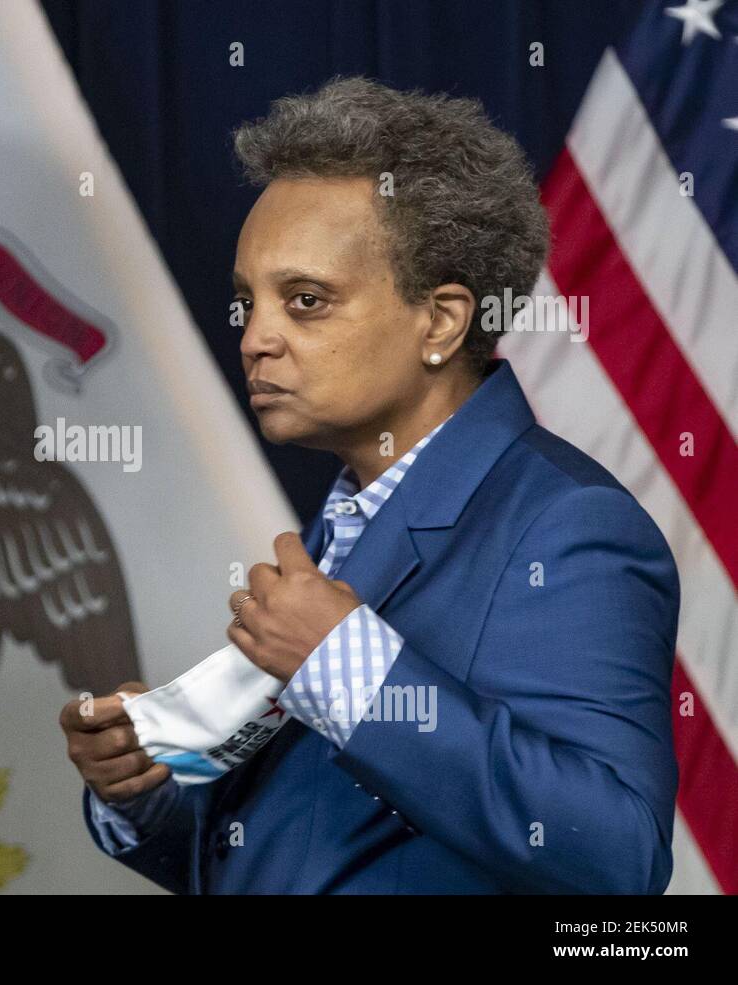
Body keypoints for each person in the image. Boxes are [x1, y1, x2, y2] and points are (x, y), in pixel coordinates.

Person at [62, 77, 680, 894]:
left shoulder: (568, 523)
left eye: (306, 301)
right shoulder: (348, 521)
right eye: (248, 302)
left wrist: (342, 663)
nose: (255, 339)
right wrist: (141, 791)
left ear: (442, 321)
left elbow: (616, 857)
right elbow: (289, 853)